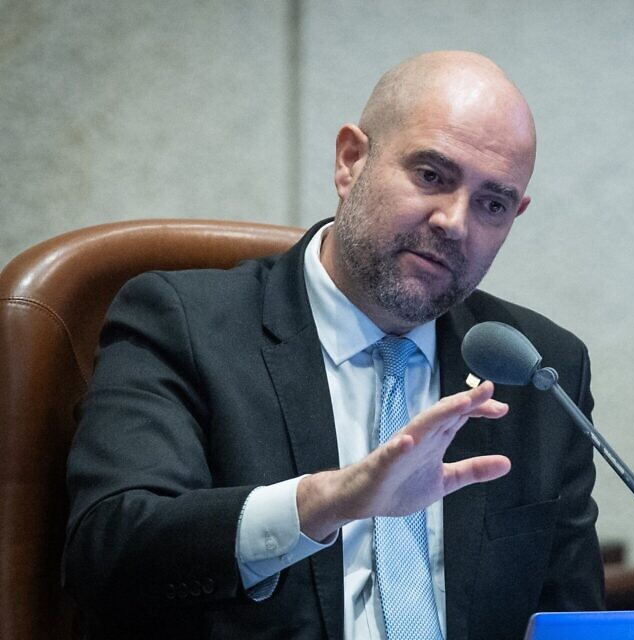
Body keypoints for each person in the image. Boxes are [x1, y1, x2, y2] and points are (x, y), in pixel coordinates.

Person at [63, 51, 603, 639]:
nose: (455, 221)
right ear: (351, 162)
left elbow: (573, 612)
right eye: (431, 176)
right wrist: (326, 502)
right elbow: (109, 549)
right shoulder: (180, 322)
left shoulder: (538, 366)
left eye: (492, 204)